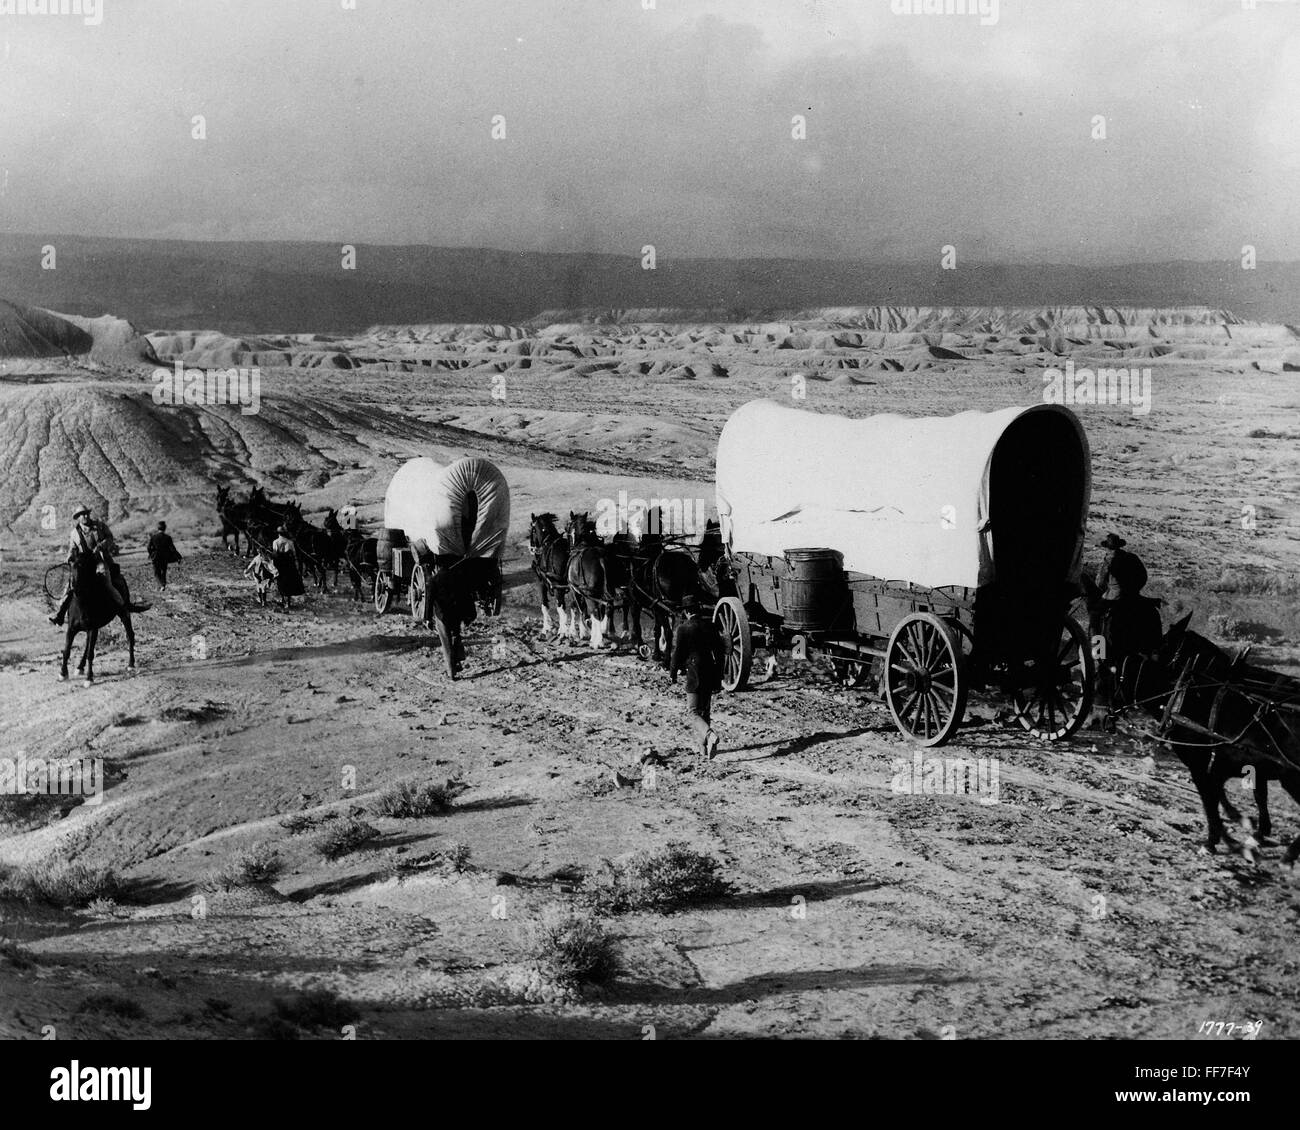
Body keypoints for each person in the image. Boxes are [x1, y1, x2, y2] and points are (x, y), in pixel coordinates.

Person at [50, 504, 144, 626]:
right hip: (84, 566)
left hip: (100, 562)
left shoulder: (99, 526)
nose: (85, 516)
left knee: (108, 583)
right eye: (81, 515)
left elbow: (110, 538)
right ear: (78, 518)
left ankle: (123, 608)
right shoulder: (74, 533)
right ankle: (60, 615)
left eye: (86, 513)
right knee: (69, 587)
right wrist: (69, 557)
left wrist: (101, 545)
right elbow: (72, 548)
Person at [669, 593, 726, 759]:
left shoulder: (684, 628)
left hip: (694, 672)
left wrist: (673, 672)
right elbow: (720, 652)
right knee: (705, 711)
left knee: (692, 712)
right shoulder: (711, 626)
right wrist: (719, 673)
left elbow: (678, 653)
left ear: (686, 612)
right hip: (711, 671)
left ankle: (709, 735)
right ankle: (705, 749)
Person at [270, 525, 305, 610]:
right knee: (290, 583)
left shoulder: (275, 542)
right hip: (289, 565)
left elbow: (275, 554)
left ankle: (282, 600)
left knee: (280, 582)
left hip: (280, 565)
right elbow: (294, 555)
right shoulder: (290, 542)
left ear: (278, 533)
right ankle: (288, 602)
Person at [146, 521, 182, 590]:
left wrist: (151, 554)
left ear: (158, 528)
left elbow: (148, 547)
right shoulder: (168, 537)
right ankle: (163, 584)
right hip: (165, 557)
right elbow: (173, 549)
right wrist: (178, 557)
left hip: (155, 557)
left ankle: (161, 585)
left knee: (156, 572)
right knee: (163, 571)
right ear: (165, 528)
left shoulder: (153, 537)